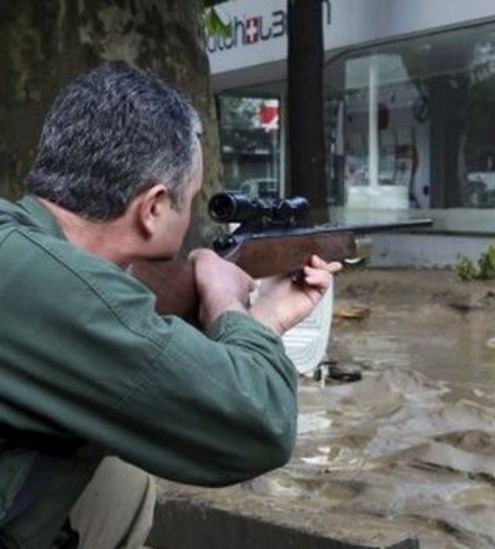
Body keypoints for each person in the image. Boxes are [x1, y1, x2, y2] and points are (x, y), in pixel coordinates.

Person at [0, 63, 342, 548]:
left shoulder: (19, 247)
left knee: (118, 485)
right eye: (192, 200)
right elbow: (260, 425)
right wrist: (227, 300)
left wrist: (261, 317)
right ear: (154, 207)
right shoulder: (63, 293)